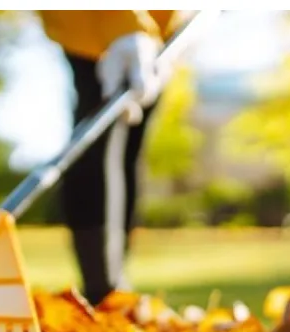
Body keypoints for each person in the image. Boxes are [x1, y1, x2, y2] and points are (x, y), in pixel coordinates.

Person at [38, 10, 183, 305]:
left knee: (131, 142)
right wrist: (124, 22)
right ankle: (102, 288)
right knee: (97, 138)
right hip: (94, 25)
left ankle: (114, 289)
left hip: (166, 28)